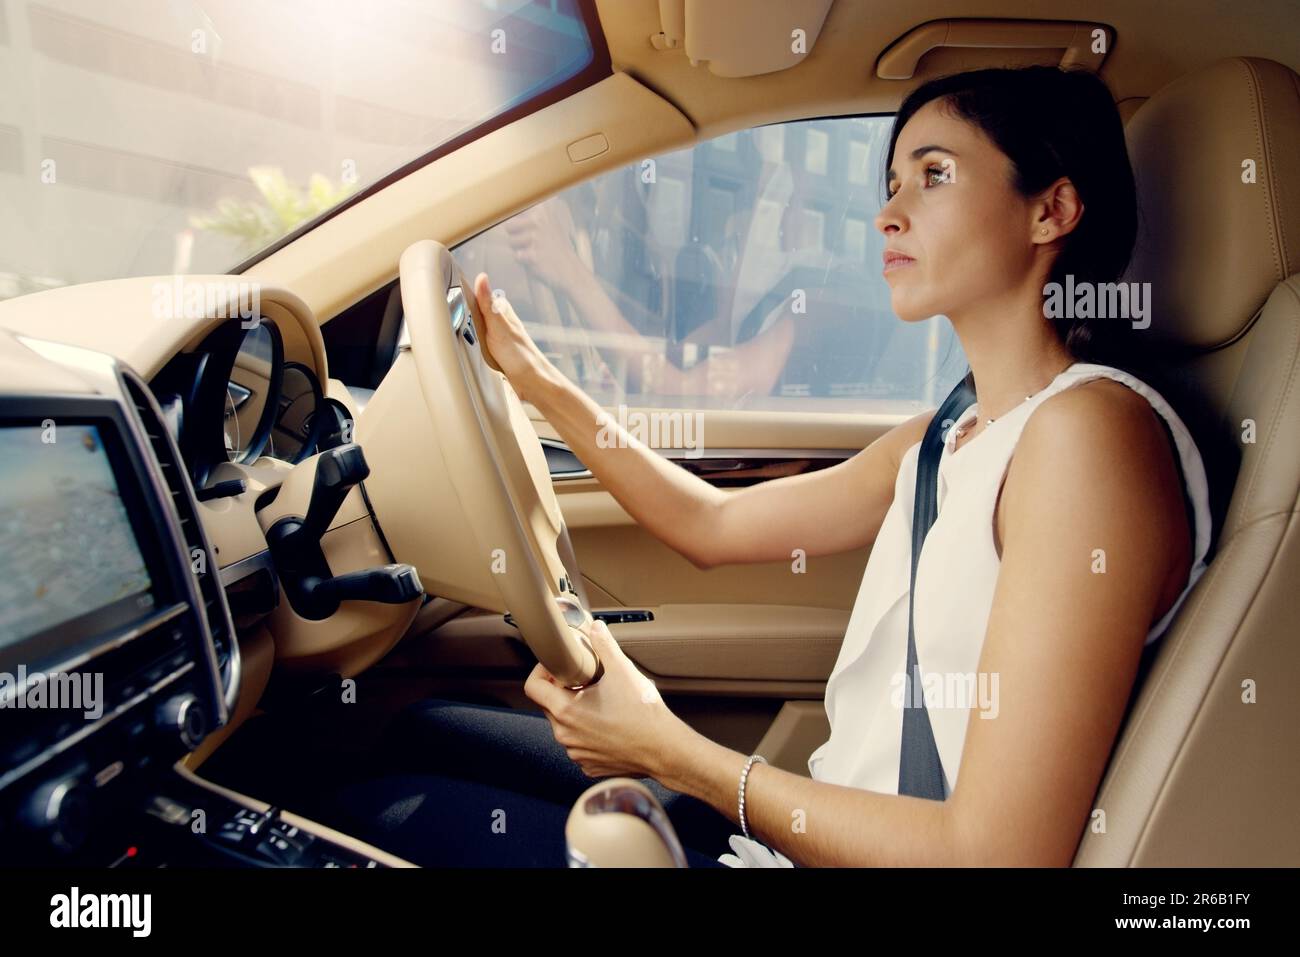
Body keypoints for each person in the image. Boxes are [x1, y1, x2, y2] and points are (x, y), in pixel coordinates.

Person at [330, 64, 1212, 867]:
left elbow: (992, 855)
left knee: (381, 813)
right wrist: (539, 380)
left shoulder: (1088, 435)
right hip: (806, 844)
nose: (888, 212)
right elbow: (710, 526)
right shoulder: (951, 429)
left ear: (1050, 211)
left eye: (934, 176)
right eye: (892, 183)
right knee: (424, 729)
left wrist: (670, 750)